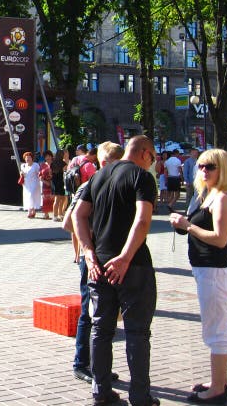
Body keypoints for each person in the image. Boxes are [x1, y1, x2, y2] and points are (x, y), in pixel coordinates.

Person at [73, 135, 159, 406]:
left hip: (99, 264)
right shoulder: (142, 177)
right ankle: (140, 396)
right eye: (153, 157)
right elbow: (142, 220)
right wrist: (125, 257)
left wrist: (88, 252)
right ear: (144, 153)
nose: (152, 163)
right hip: (132, 265)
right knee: (137, 332)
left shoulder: (98, 176)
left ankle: (101, 391)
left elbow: (78, 215)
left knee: (101, 328)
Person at [170, 149, 227, 404]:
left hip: (215, 270)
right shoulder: (207, 195)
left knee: (216, 331)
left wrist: (188, 226)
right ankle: (218, 381)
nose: (203, 171)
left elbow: (220, 239)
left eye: (210, 166)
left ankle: (218, 389)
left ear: (222, 169)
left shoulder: (222, 198)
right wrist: (184, 225)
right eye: (200, 166)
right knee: (214, 328)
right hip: (207, 269)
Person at [62, 141, 124, 387]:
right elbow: (68, 222)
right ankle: (81, 364)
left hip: (109, 257)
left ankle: (100, 366)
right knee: (89, 311)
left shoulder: (117, 185)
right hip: (91, 257)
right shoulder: (89, 186)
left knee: (105, 313)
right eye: (118, 164)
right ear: (104, 163)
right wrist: (89, 242)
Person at [20, 151, 42, 218]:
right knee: (27, 197)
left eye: (29, 157)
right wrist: (21, 174)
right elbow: (22, 174)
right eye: (26, 158)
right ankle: (31, 211)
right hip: (26, 184)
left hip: (34, 183)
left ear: (32, 158)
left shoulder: (35, 165)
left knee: (31, 196)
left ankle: (31, 210)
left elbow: (39, 173)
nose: (27, 159)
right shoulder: (23, 165)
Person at [50, 148, 68, 222]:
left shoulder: (52, 163)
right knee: (61, 199)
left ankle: (57, 215)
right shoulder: (63, 163)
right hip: (60, 182)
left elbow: (50, 173)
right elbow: (66, 171)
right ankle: (58, 215)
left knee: (58, 199)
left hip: (54, 182)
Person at [183, 148, 200, 213]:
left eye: (196, 153)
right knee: (189, 196)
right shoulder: (187, 161)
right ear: (190, 153)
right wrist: (186, 181)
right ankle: (187, 209)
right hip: (190, 182)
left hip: (197, 182)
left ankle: (195, 210)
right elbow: (185, 172)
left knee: (197, 196)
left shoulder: (198, 161)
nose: (195, 154)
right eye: (194, 152)